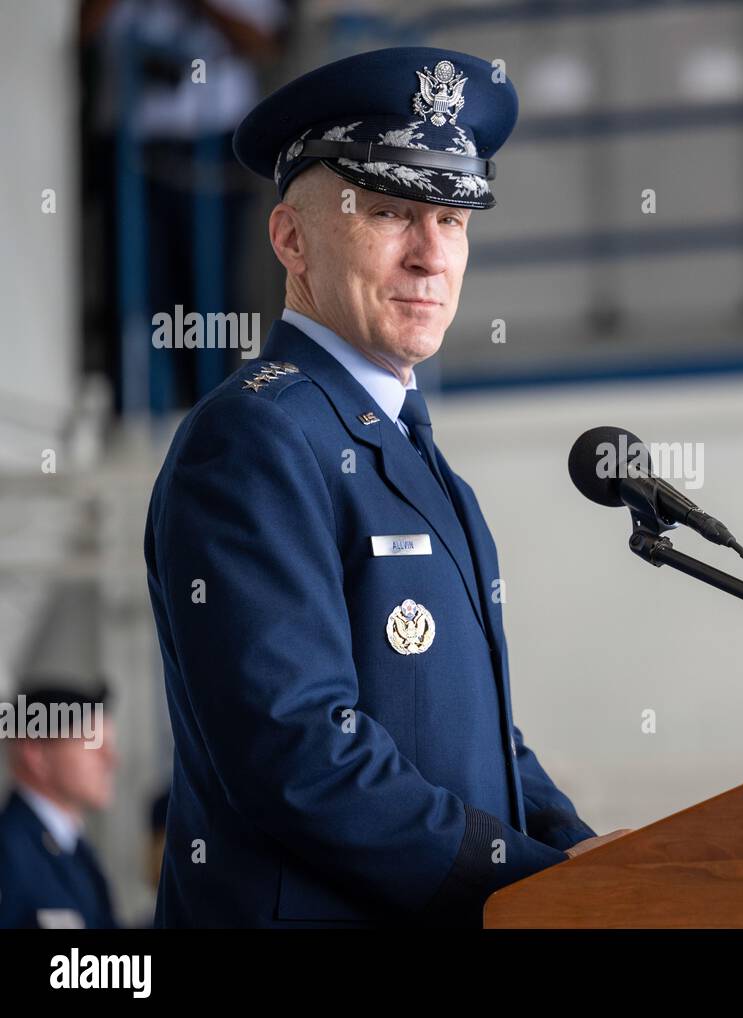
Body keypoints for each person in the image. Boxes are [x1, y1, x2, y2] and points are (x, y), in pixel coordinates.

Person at [144, 46, 629, 928]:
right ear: (291, 238)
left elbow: (480, 741)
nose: (431, 256)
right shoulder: (256, 438)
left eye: (453, 219)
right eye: (392, 212)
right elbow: (301, 756)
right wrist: (530, 882)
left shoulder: (417, 458)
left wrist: (578, 853)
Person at [0, 680, 119, 929]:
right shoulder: (9, 851)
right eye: (94, 743)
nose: (111, 760)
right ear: (36, 754)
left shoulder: (72, 846)